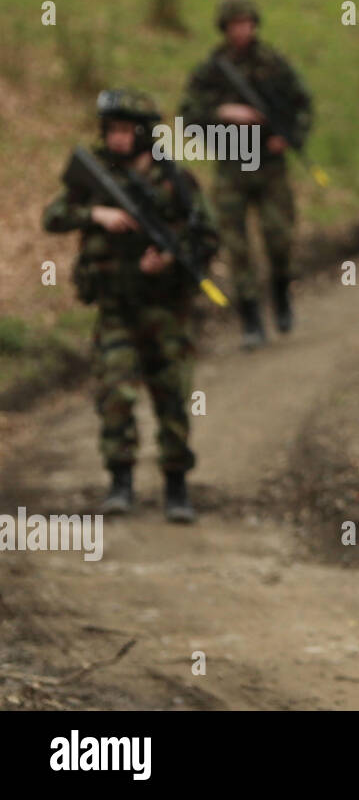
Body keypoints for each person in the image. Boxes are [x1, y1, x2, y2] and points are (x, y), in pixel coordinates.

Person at [42, 88, 220, 522]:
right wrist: (96, 216)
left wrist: (169, 259)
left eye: (126, 130)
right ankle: (120, 481)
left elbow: (207, 238)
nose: (118, 139)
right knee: (115, 394)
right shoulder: (96, 178)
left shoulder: (175, 181)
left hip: (165, 309)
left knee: (172, 398)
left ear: (144, 134)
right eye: (112, 130)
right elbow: (53, 217)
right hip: (115, 307)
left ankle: (176, 484)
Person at [179, 0, 313, 349]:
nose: (241, 30)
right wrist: (224, 111)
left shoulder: (274, 65)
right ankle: (251, 320)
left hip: (269, 165)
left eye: (246, 23)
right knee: (236, 248)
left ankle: (282, 296)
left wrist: (288, 138)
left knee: (279, 237)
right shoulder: (211, 71)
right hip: (232, 163)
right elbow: (188, 118)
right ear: (224, 29)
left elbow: (301, 104)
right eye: (234, 24)